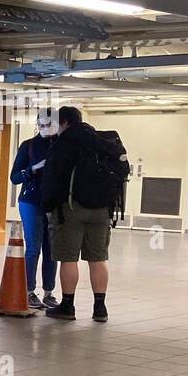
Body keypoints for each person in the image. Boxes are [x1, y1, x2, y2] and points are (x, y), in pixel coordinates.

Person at [40, 105, 122, 322]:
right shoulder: (101, 141)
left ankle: (67, 306)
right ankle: (100, 308)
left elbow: (52, 179)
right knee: (98, 259)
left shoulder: (63, 143)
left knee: (68, 259)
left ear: (65, 122)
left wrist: (48, 207)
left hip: (71, 209)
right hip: (102, 209)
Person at [9, 112, 59, 308]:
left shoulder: (60, 145)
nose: (44, 128)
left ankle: (49, 292)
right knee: (33, 247)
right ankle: (28, 290)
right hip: (31, 201)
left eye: (48, 124)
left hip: (53, 202)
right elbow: (14, 177)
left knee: (51, 249)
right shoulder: (28, 146)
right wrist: (33, 169)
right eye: (41, 124)